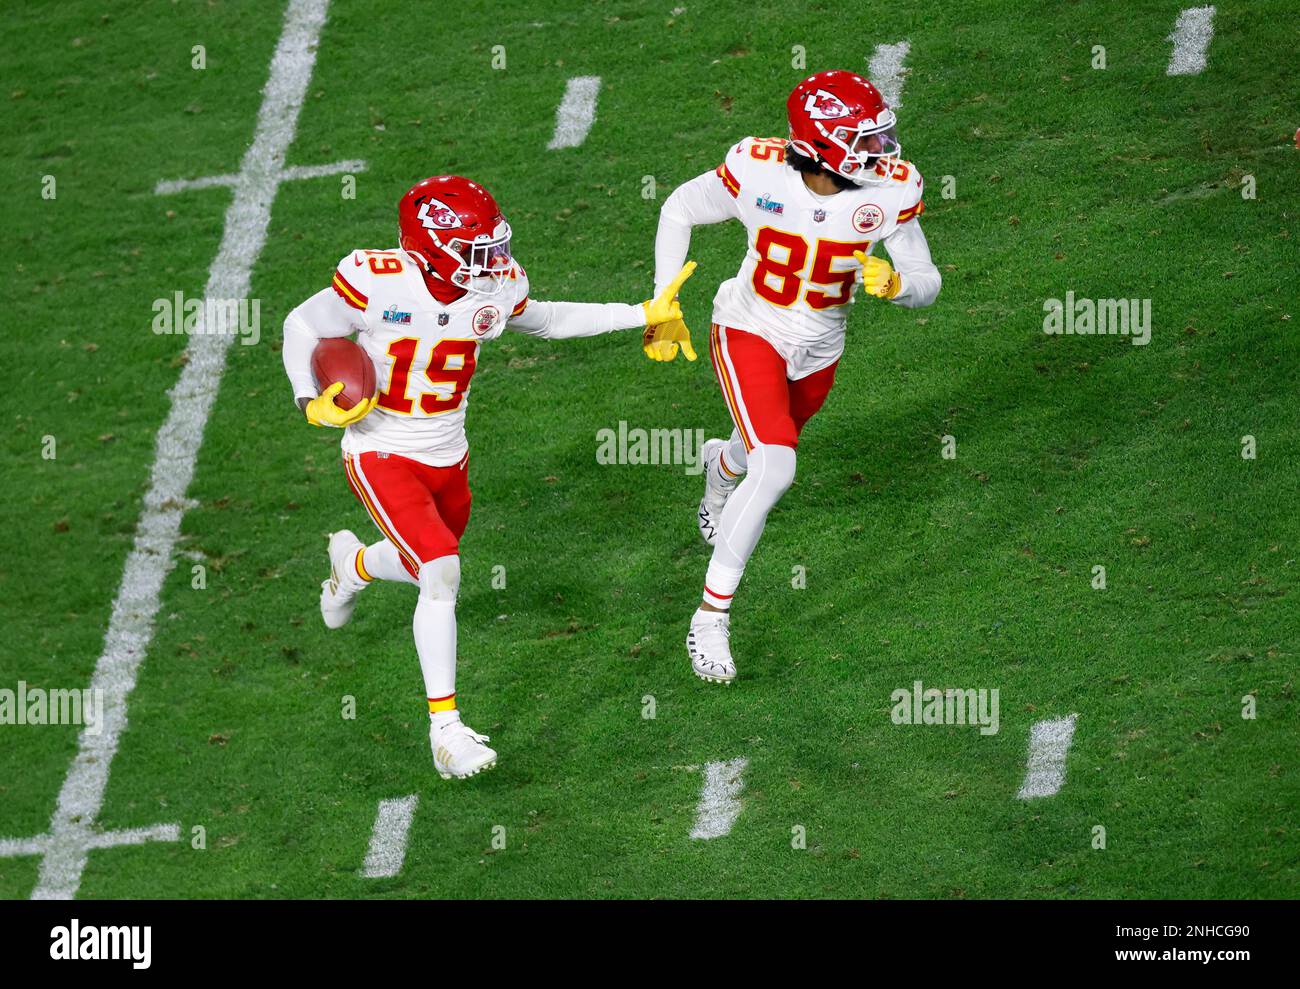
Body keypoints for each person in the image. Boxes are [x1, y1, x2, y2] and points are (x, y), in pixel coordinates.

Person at [283, 174, 693, 777]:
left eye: (495, 248)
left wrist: (642, 313)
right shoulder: (377, 279)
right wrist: (306, 397)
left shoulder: (494, 289)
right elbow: (303, 324)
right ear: (429, 246)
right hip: (381, 450)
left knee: (429, 562)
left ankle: (356, 566)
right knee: (443, 570)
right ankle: (446, 731)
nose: (494, 263)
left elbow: (548, 320)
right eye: (479, 251)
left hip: (449, 452)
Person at [645, 70, 941, 684]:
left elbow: (928, 282)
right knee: (776, 463)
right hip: (748, 327)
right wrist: (663, 300)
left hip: (821, 346)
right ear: (822, 144)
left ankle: (718, 470)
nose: (882, 153)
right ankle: (710, 618)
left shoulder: (888, 191)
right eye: (865, 140)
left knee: (759, 445)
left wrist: (901, 285)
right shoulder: (757, 170)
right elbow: (678, 207)